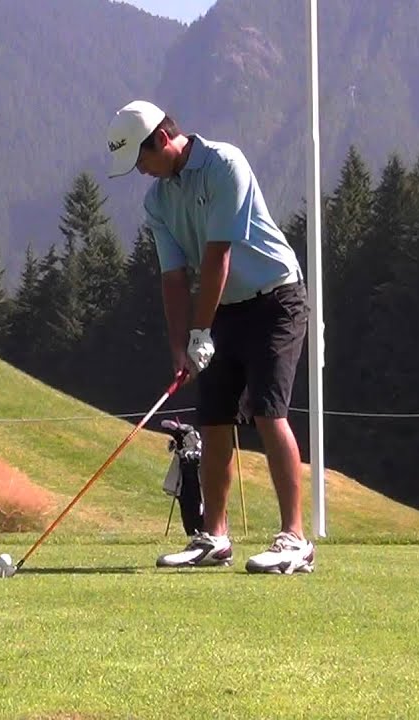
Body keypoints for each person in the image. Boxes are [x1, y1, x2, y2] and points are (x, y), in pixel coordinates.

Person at [106, 99, 315, 574]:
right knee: (214, 418)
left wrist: (202, 329)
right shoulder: (158, 200)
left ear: (161, 139)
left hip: (275, 298)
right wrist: (181, 346)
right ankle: (215, 537)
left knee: (268, 411)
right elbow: (174, 278)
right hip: (222, 308)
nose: (140, 171)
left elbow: (218, 255)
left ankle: (295, 540)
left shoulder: (225, 164)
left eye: (141, 159)